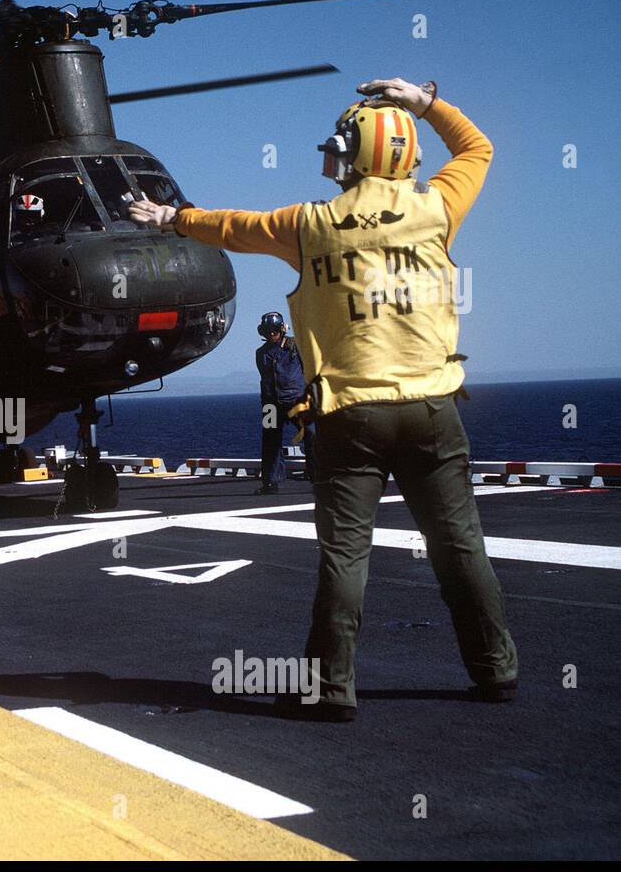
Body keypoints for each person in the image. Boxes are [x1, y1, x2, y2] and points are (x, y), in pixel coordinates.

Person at [131, 77, 517, 720]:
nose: (328, 159)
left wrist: (172, 218)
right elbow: (476, 147)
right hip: (431, 409)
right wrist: (423, 102)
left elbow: (233, 227)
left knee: (344, 554)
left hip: (348, 416)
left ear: (354, 153)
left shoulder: (310, 225)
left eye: (337, 148)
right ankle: (496, 672)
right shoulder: (438, 208)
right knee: (459, 548)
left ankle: (332, 689)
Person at [254, 311, 309, 495]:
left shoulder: (295, 346)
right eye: (268, 331)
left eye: (274, 330)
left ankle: (319, 477)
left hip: (296, 401)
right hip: (270, 405)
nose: (271, 334)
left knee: (313, 435)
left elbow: (309, 369)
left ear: (281, 329)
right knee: (270, 442)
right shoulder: (260, 354)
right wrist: (265, 403)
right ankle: (270, 482)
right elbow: (264, 379)